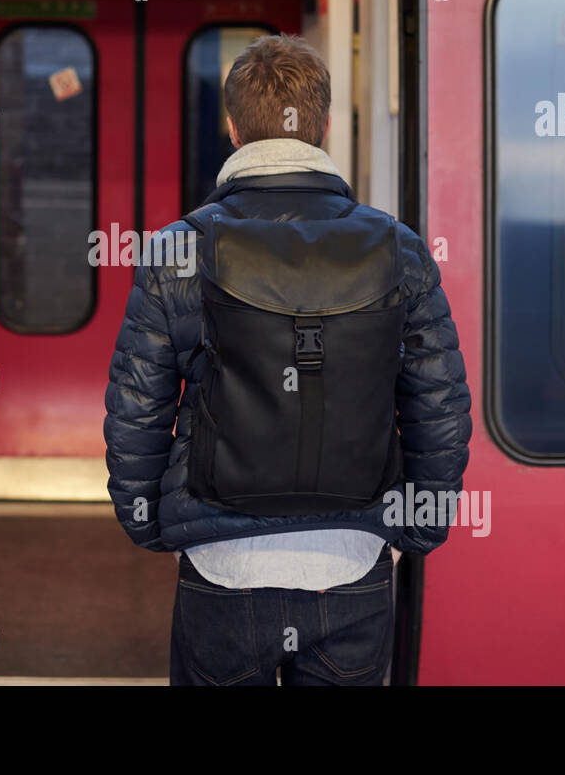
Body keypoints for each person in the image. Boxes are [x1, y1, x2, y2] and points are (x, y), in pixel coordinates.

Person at [103, 34, 471, 686]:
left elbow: (138, 405)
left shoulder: (178, 249)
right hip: (352, 561)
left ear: (231, 126)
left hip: (222, 565)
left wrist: (148, 521)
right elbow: (436, 403)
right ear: (323, 125)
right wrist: (423, 524)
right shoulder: (398, 246)